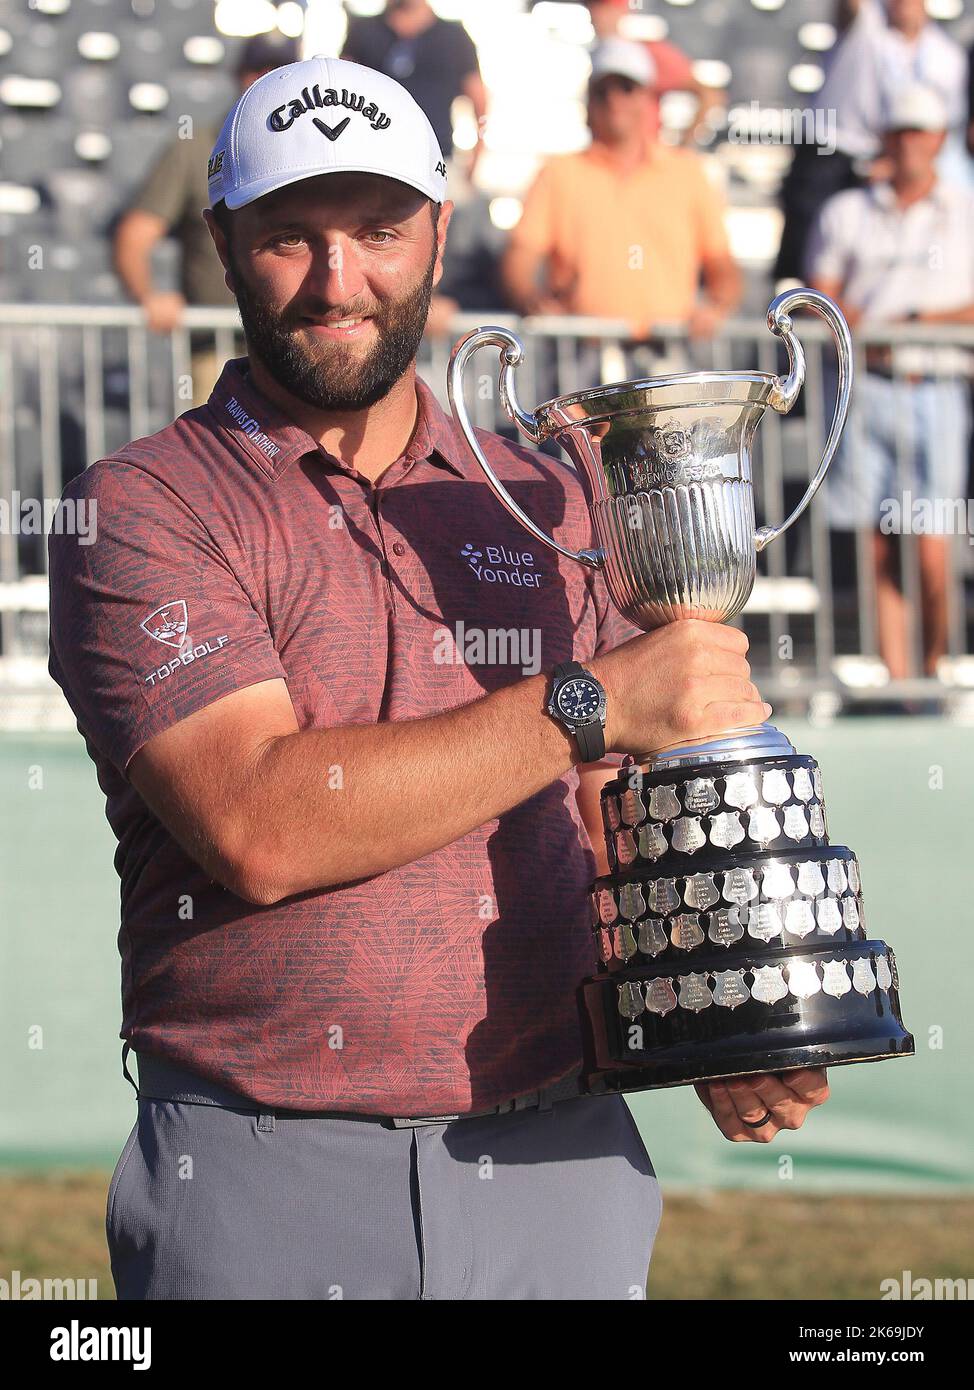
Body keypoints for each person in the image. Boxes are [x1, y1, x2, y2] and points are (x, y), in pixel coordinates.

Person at [48, 55, 827, 1302]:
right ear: (223, 243)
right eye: (290, 237)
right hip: (264, 1175)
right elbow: (258, 824)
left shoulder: (549, 493)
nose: (337, 280)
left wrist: (721, 1006)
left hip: (559, 1159)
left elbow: (604, 812)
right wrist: (590, 698)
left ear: (440, 232)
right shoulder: (141, 507)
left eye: (378, 230)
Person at [806, 83, 974, 681]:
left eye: (918, 131)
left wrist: (916, 324)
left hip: (935, 388)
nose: (908, 143)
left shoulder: (966, 211)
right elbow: (817, 292)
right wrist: (843, 310)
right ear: (886, 138)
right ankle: (905, 684)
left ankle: (931, 673)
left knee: (932, 551)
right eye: (899, 130)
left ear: (938, 140)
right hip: (869, 388)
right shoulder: (846, 212)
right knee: (878, 547)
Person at [501, 37, 740, 371]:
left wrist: (716, 306)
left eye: (626, 88)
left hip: (667, 356)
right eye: (603, 91)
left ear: (647, 98)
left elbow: (723, 266)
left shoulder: (686, 173)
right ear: (589, 101)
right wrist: (532, 299)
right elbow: (520, 256)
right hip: (584, 358)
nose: (614, 100)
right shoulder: (559, 173)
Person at [113, 31, 301, 408]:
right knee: (217, 464)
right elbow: (135, 235)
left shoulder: (311, 152)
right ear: (239, 75)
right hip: (219, 352)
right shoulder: (196, 148)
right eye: (258, 69)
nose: (265, 79)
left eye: (280, 72)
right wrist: (149, 296)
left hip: (301, 346)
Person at [775, 0, 968, 282]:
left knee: (879, 258)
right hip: (829, 151)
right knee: (805, 255)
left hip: (893, 159)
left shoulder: (946, 56)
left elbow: (945, 124)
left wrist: (898, 162)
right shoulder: (865, 24)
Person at [341, 0, 486, 173]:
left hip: (437, 163)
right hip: (374, 163)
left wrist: (476, 158)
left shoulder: (454, 37)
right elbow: (340, 89)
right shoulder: (363, 31)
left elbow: (480, 103)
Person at [581, 0, 720, 143]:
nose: (614, 100)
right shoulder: (594, 54)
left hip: (643, 158)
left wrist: (683, 146)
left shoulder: (648, 52)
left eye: (626, 88)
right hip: (602, 159)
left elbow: (708, 94)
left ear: (622, 10)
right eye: (592, 6)